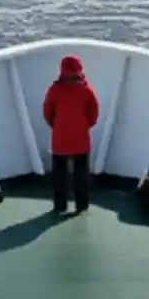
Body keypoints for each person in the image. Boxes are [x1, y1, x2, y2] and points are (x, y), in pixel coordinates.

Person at [42, 55, 100, 214]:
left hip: (60, 138)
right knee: (81, 173)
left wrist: (56, 125)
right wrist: (85, 125)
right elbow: (94, 112)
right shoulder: (86, 90)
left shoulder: (54, 90)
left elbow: (47, 111)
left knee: (59, 174)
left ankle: (60, 205)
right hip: (81, 138)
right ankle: (82, 205)